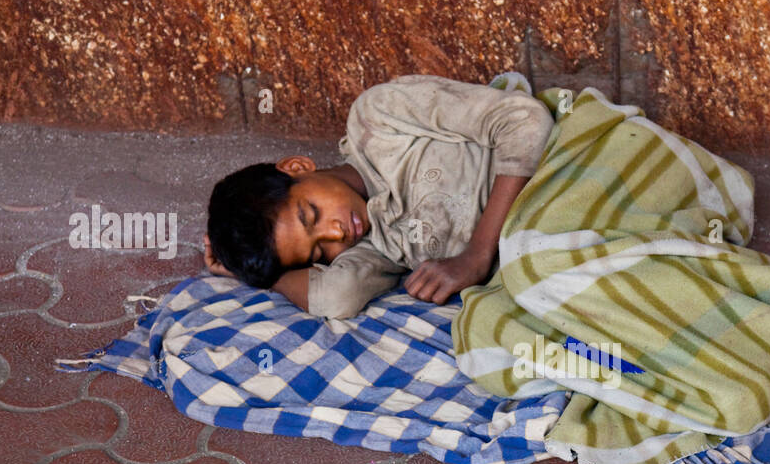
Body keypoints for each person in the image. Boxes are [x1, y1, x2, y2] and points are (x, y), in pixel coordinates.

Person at [202, 73, 555, 318]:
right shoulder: (375, 248)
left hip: (562, 170)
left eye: (312, 215)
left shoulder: (379, 120)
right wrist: (257, 275)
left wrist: (476, 255)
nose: (336, 233)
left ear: (297, 167)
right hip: (547, 242)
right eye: (320, 251)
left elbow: (525, 121)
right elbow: (336, 297)